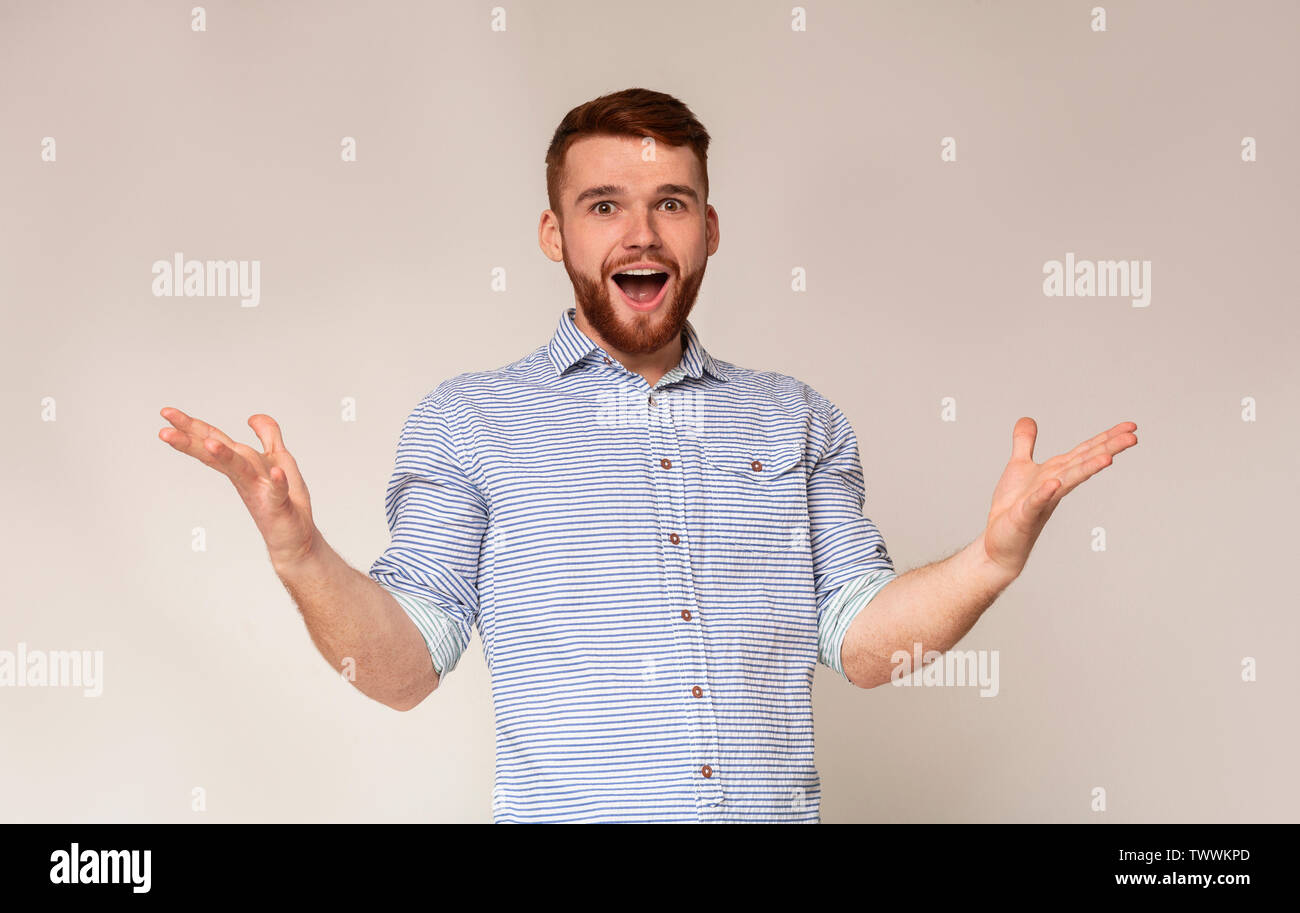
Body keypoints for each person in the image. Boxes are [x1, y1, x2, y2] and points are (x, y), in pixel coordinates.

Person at [158, 87, 1138, 822]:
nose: (641, 232)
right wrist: (300, 555)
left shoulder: (797, 420)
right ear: (553, 232)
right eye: (603, 205)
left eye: (671, 203)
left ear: (708, 229)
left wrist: (991, 559)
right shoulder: (470, 422)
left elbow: (865, 645)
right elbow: (404, 665)